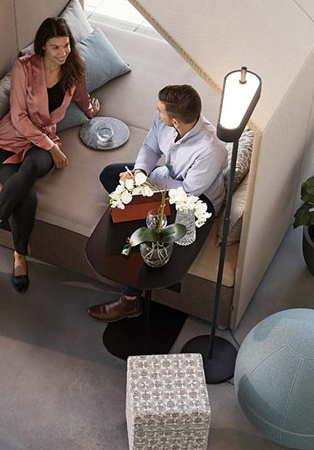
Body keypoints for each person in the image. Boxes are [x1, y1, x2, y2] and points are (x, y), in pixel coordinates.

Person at [0, 17, 100, 292]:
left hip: (41, 145)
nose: (63, 53)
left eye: (66, 45)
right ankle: (19, 255)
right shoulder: (24, 67)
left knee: (30, 170)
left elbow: (81, 95)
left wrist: (91, 111)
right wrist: (52, 147)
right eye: (55, 47)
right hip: (10, 139)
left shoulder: (75, 66)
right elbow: (18, 117)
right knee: (26, 194)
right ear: (42, 46)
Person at [87, 83, 227, 322]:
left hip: (195, 202)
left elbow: (189, 191)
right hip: (165, 179)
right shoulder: (164, 122)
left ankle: (129, 302)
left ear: (175, 121)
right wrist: (139, 173)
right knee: (110, 175)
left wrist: (146, 184)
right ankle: (137, 215)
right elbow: (150, 147)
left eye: (160, 110)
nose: (156, 111)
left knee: (148, 232)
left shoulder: (211, 150)